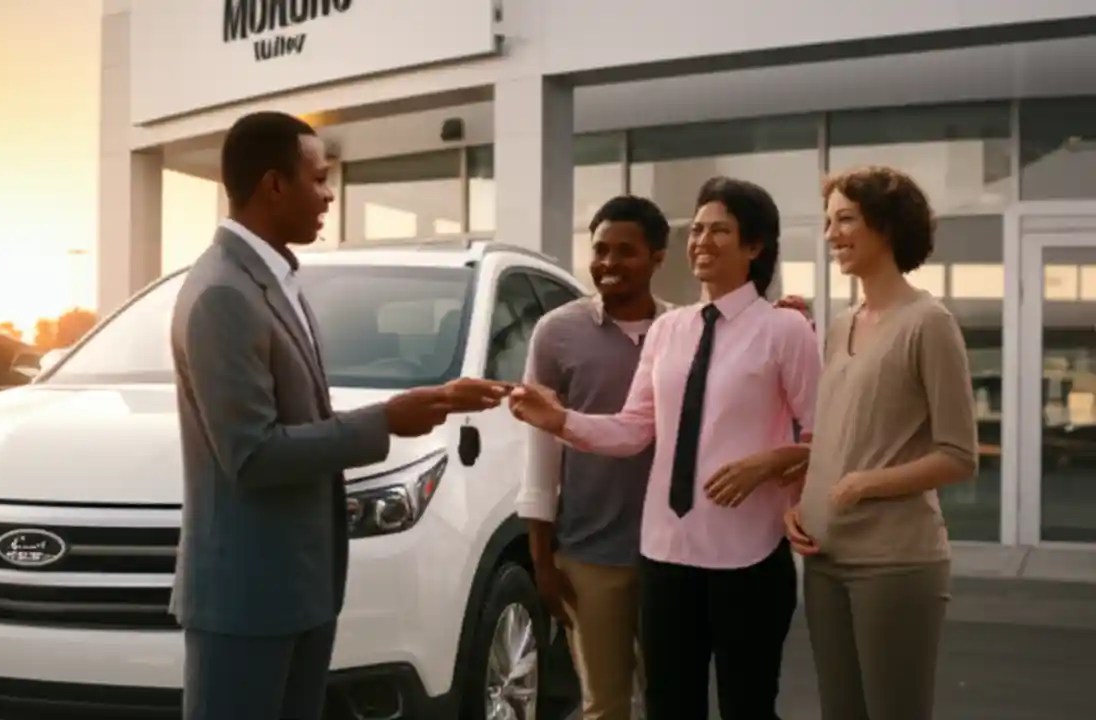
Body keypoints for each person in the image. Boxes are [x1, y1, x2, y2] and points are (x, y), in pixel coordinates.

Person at [168, 110, 508, 720]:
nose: (328, 194)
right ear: (274, 185)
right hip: (248, 602)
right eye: (319, 178)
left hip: (299, 593)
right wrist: (387, 419)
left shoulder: (276, 280)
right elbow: (254, 454)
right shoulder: (224, 292)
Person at [510, 177, 821, 720]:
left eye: (719, 230)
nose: (701, 240)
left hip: (747, 554)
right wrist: (558, 420)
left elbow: (826, 435)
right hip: (665, 555)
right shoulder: (668, 329)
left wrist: (775, 462)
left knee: (748, 706)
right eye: (697, 229)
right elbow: (633, 430)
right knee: (669, 706)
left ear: (755, 246)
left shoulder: (785, 331)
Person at [783, 165, 978, 720]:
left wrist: (869, 483)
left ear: (886, 226)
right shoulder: (841, 325)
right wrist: (799, 500)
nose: (831, 234)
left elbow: (959, 456)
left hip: (894, 565)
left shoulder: (928, 323)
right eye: (827, 221)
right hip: (824, 560)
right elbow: (838, 433)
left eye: (845, 219)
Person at [516, 195, 671, 720]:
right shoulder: (556, 333)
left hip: (672, 554)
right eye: (600, 249)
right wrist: (542, 557)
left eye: (625, 252)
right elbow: (540, 448)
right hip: (589, 553)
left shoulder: (685, 331)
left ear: (657, 256)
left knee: (671, 699)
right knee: (604, 706)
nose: (608, 264)